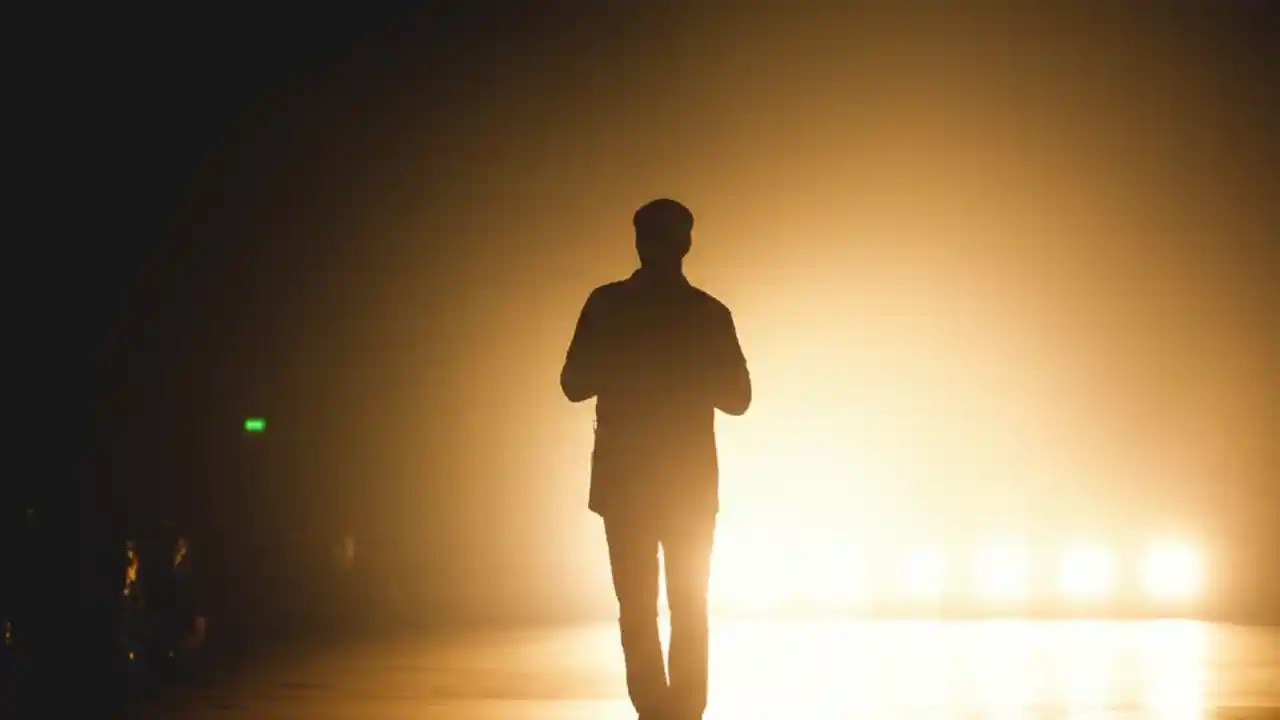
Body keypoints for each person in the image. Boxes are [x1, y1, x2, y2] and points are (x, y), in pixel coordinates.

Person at [560, 199, 751, 719]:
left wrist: (623, 365)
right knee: (690, 608)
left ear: (638, 241)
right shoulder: (709, 314)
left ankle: (656, 714)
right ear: (686, 243)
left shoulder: (606, 305)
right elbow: (739, 398)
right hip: (688, 486)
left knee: (638, 612)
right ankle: (684, 714)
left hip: (625, 486)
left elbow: (573, 383)